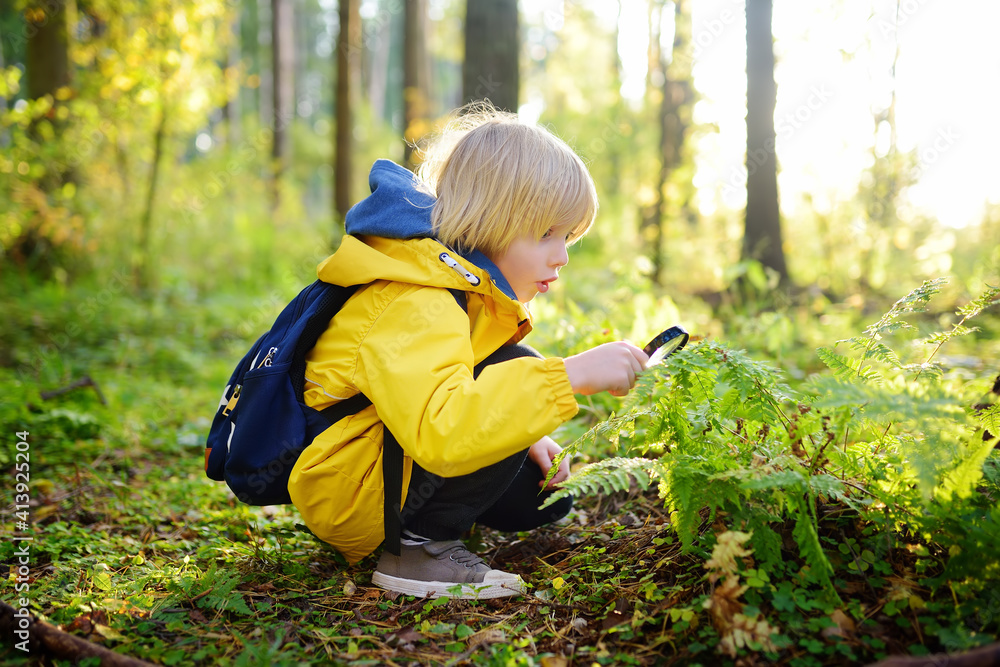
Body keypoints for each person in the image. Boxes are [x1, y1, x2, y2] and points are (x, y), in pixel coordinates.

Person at [287, 104, 649, 599]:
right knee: (521, 370)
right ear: (489, 220)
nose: (561, 254)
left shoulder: (460, 290)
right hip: (347, 488)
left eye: (567, 236)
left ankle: (432, 520)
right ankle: (416, 549)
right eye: (545, 233)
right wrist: (568, 377)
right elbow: (445, 425)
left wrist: (519, 437)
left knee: (536, 497)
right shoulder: (418, 298)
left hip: (381, 462)